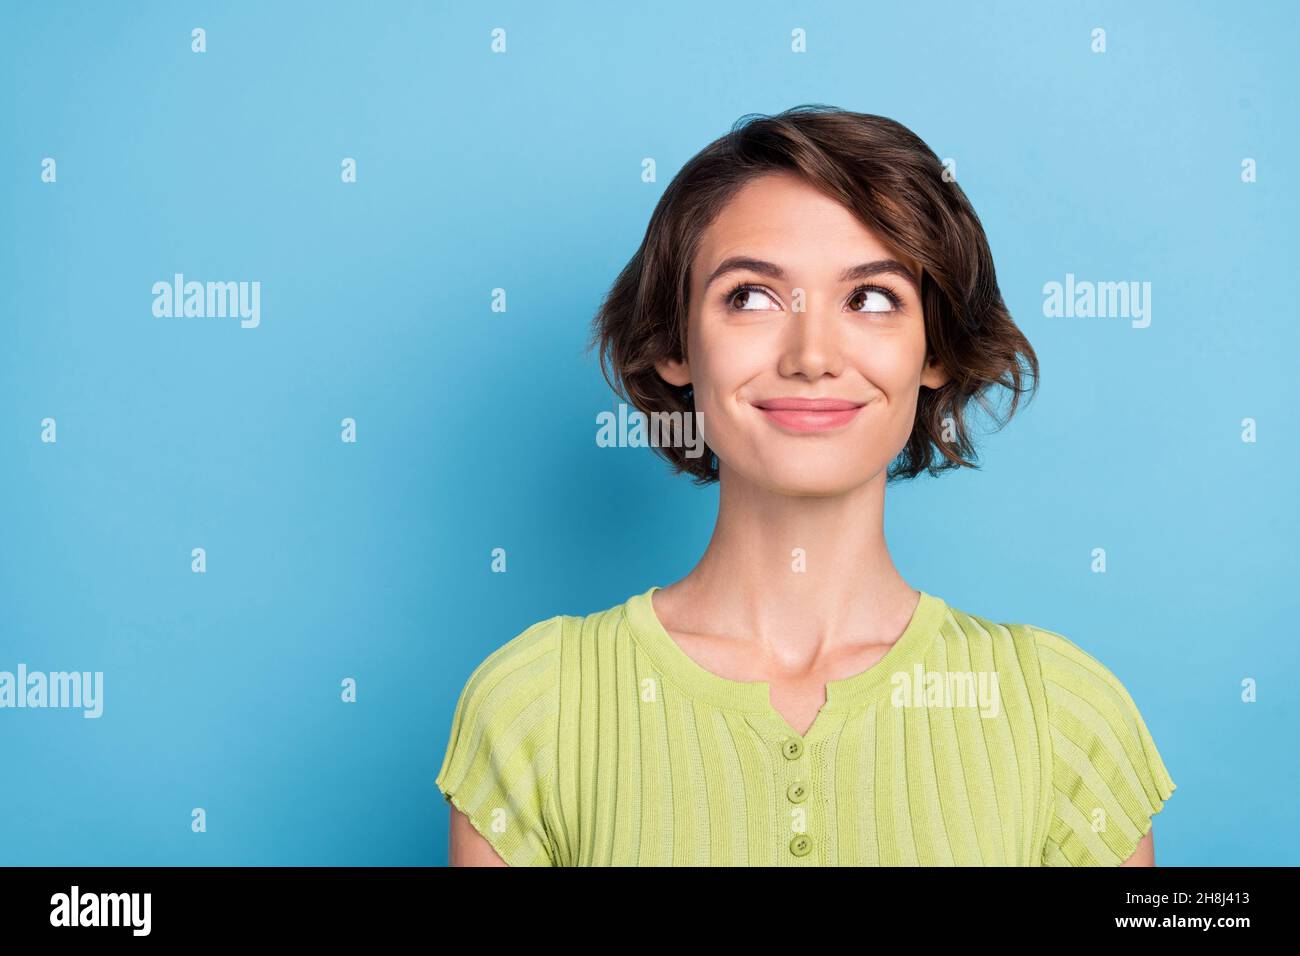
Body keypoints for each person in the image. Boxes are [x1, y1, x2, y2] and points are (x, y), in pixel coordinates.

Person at [435, 105, 1176, 866]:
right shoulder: (537, 707)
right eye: (750, 297)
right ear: (674, 345)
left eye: (871, 298)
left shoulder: (1064, 718)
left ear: (936, 349)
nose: (812, 356)